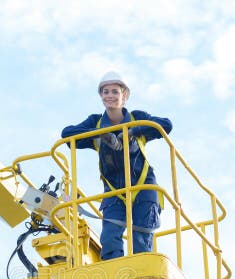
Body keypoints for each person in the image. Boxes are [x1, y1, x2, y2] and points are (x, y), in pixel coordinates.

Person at [61, 71, 172, 260]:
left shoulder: (137, 118)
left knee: (141, 239)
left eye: (114, 92)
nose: (110, 96)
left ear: (124, 96)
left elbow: (165, 125)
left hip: (143, 187)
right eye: (105, 92)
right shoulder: (95, 122)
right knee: (110, 238)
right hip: (113, 191)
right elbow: (67, 134)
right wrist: (101, 133)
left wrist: (132, 132)